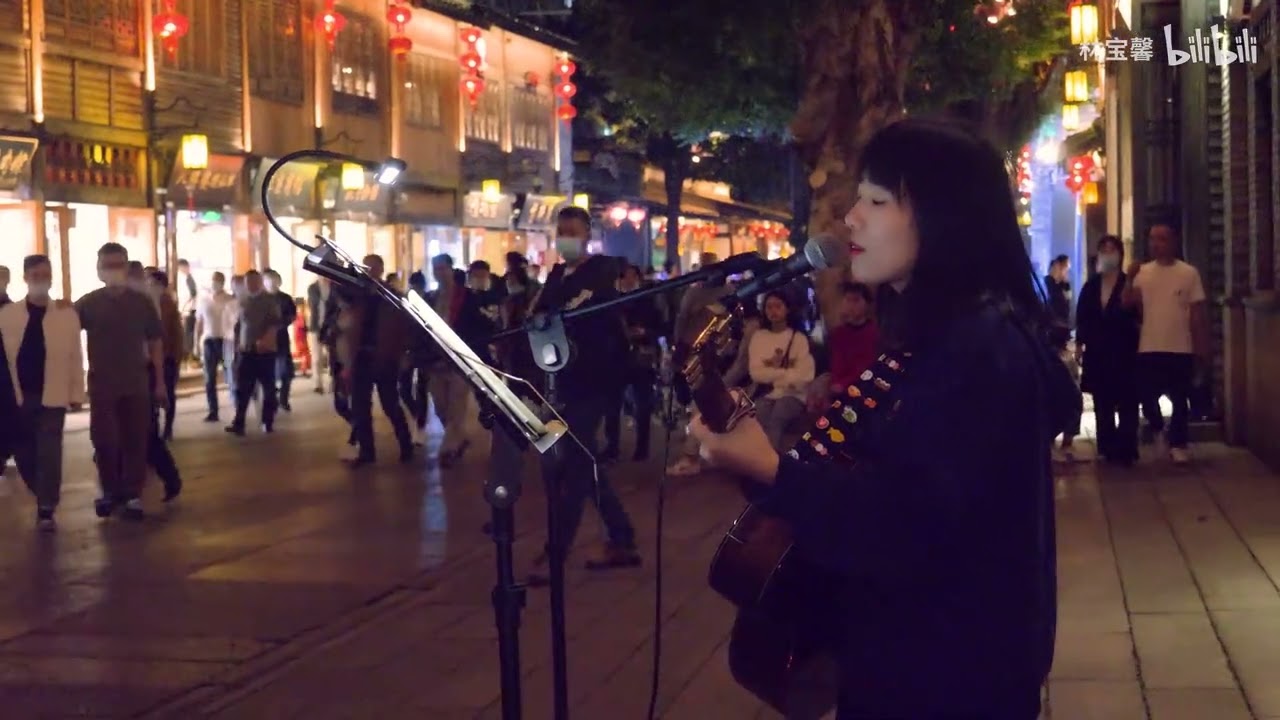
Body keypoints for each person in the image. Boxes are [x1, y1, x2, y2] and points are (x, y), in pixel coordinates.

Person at [690, 118, 1071, 719]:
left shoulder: (980, 348)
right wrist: (756, 461)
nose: (852, 219)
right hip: (904, 663)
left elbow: (907, 525)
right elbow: (864, 478)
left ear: (941, 217)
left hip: (948, 679)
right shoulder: (938, 335)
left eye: (875, 200)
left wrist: (773, 472)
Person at [526, 205, 641, 584]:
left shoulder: (602, 273)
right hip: (557, 384)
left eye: (572, 230)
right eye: (561, 231)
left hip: (590, 383)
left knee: (572, 466)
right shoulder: (556, 275)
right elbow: (538, 320)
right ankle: (622, 536)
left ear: (587, 234)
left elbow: (599, 324)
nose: (565, 238)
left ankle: (556, 552)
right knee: (578, 463)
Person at [76, 243, 165, 521]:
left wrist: (160, 381)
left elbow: (155, 342)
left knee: (135, 439)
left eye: (118, 265)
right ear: (99, 269)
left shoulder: (141, 303)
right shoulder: (88, 303)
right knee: (104, 441)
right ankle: (110, 491)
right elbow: (65, 332)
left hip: (135, 381)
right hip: (102, 384)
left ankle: (132, 494)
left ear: (126, 267)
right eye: (108, 265)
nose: (113, 271)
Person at [0, 255, 86, 530]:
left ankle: (47, 507)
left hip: (53, 394)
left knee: (50, 451)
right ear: (25, 278)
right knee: (24, 452)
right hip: (18, 397)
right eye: (35, 275)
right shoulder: (8, 315)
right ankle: (43, 493)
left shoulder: (65, 314)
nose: (41, 280)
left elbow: (75, 354)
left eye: (45, 275)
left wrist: (76, 393)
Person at [1122, 223, 1210, 465]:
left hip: (1181, 345)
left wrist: (1201, 347)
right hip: (1149, 344)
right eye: (1152, 239)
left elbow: (1197, 312)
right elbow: (1127, 303)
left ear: (1173, 241)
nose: (1156, 244)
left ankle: (1179, 443)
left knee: (1181, 397)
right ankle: (1158, 427)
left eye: (1161, 239)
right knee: (1146, 393)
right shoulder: (1142, 272)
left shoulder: (1188, 273)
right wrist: (1129, 278)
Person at [1076, 235, 1141, 466]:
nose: (1107, 253)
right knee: (1102, 401)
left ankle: (1126, 446)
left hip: (1124, 349)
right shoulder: (1091, 286)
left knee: (1127, 400)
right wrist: (1080, 345)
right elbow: (1082, 316)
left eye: (1112, 249)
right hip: (1098, 351)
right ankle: (1106, 445)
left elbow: (1136, 313)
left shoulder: (1129, 283)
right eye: (1103, 249)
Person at [226, 270, 281, 436]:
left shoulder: (269, 300)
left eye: (253, 281)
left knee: (268, 388)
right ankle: (239, 422)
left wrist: (266, 340)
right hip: (246, 350)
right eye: (248, 282)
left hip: (264, 351)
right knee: (243, 388)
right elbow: (239, 326)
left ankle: (267, 420)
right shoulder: (244, 301)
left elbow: (275, 323)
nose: (250, 285)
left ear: (259, 282)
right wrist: (237, 346)